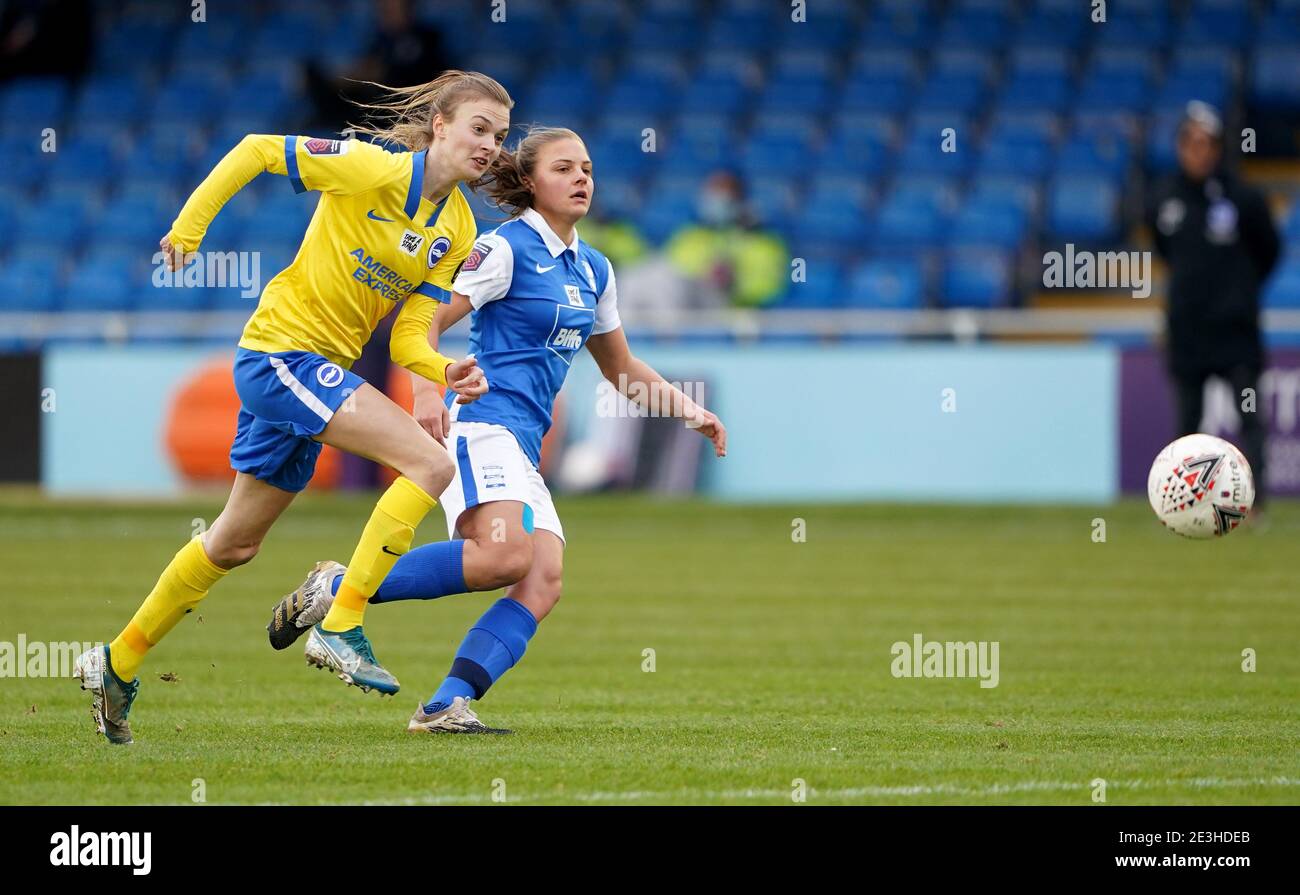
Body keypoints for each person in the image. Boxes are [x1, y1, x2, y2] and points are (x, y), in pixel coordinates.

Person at [73, 71, 513, 745]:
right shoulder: (373, 169)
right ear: (440, 124)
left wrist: (441, 368)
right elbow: (255, 148)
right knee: (430, 463)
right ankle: (340, 623)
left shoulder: (455, 227)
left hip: (313, 373)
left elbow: (405, 335)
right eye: (479, 128)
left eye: (501, 136)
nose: (489, 145)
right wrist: (189, 231)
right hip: (282, 354)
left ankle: (117, 659)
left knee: (234, 542)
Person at [267, 127, 728, 734]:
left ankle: (444, 705)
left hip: (523, 445)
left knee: (542, 580)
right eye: (564, 168)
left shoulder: (593, 268)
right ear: (532, 183)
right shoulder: (504, 249)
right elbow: (420, 317)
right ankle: (339, 584)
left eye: (587, 168)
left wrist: (687, 409)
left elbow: (621, 369)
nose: (582, 178)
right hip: (483, 427)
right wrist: (429, 388)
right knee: (506, 556)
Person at [1147, 101, 1280, 509]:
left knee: (1248, 414)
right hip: (1188, 331)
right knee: (1187, 422)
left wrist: (1238, 292)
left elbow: (1269, 249)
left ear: (1219, 148)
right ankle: (1180, 501)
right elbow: (1164, 249)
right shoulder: (1163, 199)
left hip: (1235, 331)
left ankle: (1254, 504)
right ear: (1181, 147)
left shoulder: (1243, 197)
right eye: (1191, 143)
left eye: (1207, 143)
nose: (1199, 151)